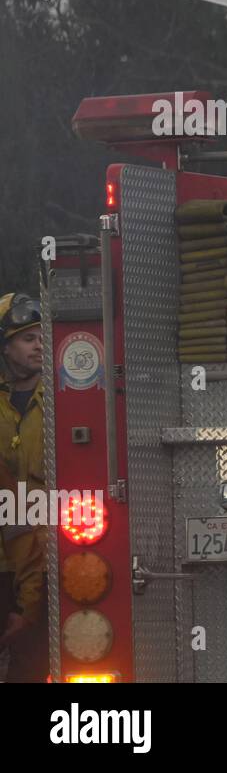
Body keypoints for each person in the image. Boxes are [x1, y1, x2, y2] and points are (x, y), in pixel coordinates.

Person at [0, 292, 48, 682]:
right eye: (27, 338)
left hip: (50, 557)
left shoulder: (63, 400)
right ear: (5, 346)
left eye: (42, 336)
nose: (39, 344)